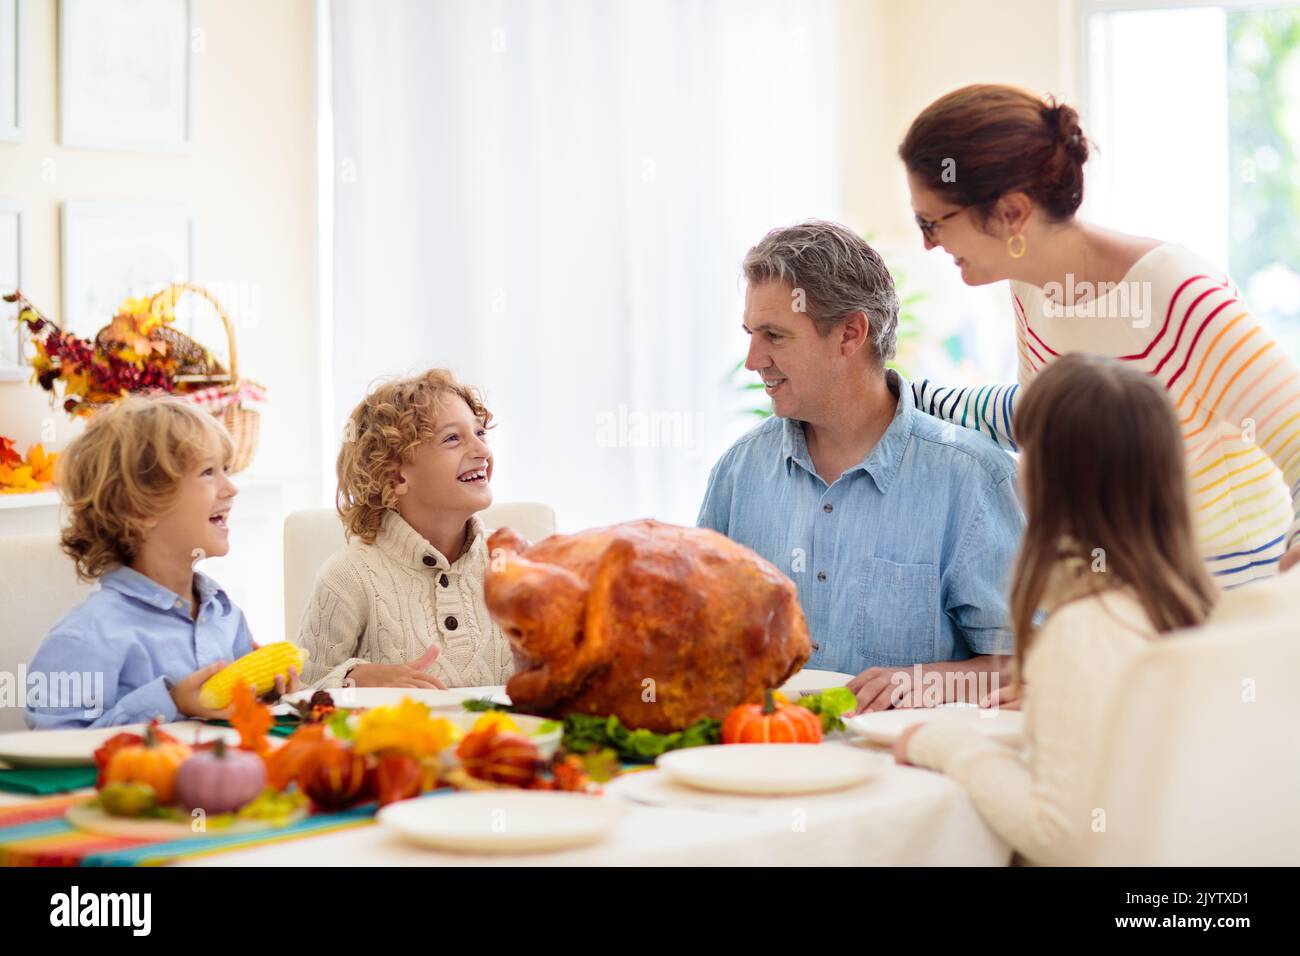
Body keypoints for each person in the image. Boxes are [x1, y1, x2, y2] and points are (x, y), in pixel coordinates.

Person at [900, 83, 1300, 585]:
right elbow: (1046, 418)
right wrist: (909, 398)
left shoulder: (1174, 292)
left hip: (1225, 611)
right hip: (1131, 605)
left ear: (1012, 213)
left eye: (933, 221)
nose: (928, 243)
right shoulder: (1030, 288)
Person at [895, 353, 1218, 866]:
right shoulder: (1190, 608)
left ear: (1048, 479)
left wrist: (948, 745)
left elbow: (1060, 835)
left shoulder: (1084, 627)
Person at [698, 220, 1024, 713]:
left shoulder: (970, 477)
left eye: (774, 336)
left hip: (906, 773)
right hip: (763, 761)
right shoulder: (738, 473)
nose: (752, 360)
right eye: (750, 334)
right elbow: (701, 639)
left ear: (850, 333)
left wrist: (928, 682)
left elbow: (1024, 668)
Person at [26, 397, 295, 729]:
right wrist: (170, 703)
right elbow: (50, 750)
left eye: (226, 469)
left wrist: (267, 698)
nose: (231, 488)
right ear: (141, 509)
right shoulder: (86, 637)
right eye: (208, 472)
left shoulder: (226, 616)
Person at [295, 369, 514, 688]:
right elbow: (300, 692)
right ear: (397, 477)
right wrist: (353, 680)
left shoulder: (511, 561)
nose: (481, 451)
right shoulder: (349, 576)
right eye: (453, 438)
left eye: (480, 433)